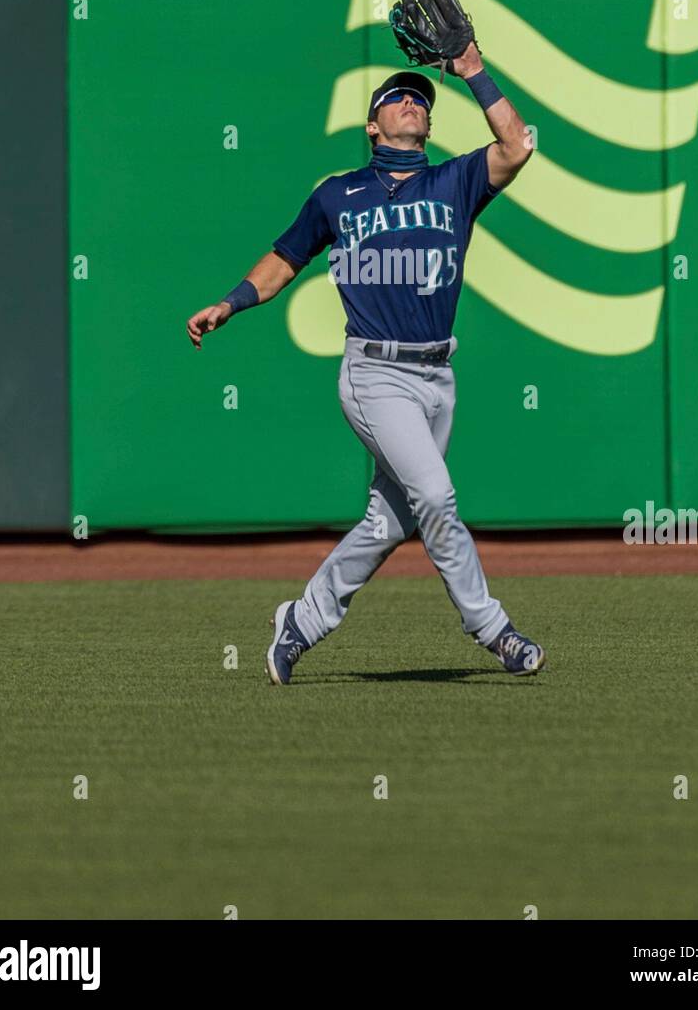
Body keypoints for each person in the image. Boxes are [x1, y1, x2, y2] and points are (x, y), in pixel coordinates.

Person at [186, 39, 545, 684]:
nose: (410, 102)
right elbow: (285, 259)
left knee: (390, 521)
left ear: (429, 125)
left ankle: (299, 621)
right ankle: (492, 628)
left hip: (438, 374)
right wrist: (232, 303)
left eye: (419, 100)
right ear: (373, 126)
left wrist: (472, 70)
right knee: (436, 495)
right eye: (395, 99)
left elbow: (518, 145)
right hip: (374, 374)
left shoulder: (455, 181)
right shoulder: (339, 194)